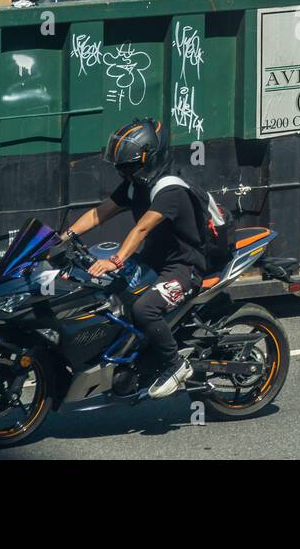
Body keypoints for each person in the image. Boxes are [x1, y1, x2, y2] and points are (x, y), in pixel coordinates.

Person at [60, 119, 206, 399]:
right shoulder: (134, 185)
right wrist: (62, 237)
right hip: (153, 262)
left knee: (144, 309)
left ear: (149, 160)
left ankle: (175, 366)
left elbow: (142, 228)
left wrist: (115, 260)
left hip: (184, 268)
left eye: (127, 166)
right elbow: (98, 214)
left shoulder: (169, 190)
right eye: (120, 167)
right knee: (110, 297)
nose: (122, 172)